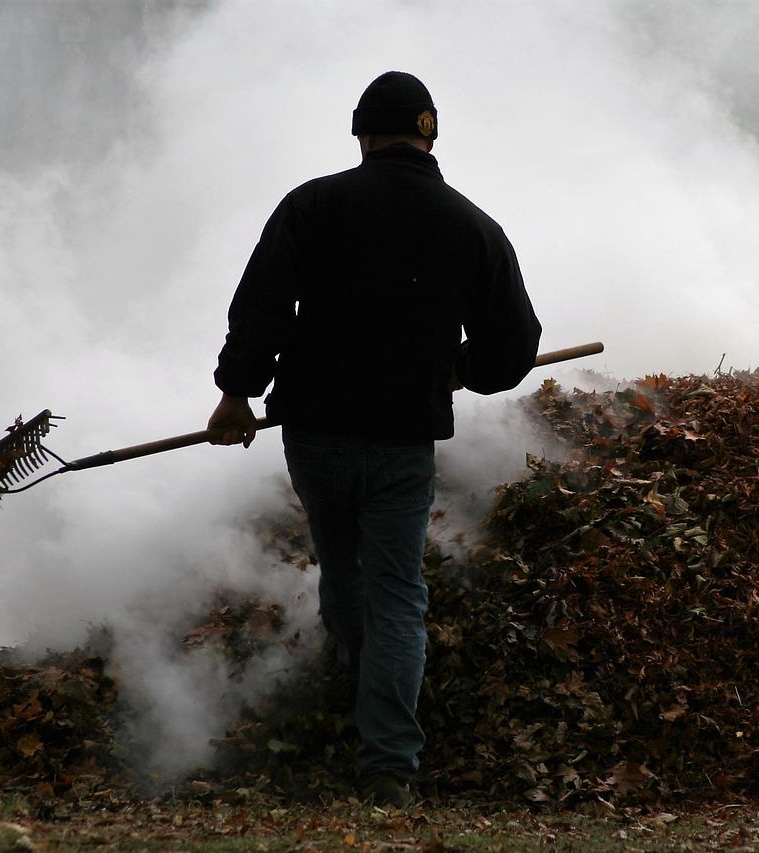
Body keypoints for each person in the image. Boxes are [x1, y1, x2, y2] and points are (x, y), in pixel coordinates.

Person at [207, 71, 541, 806]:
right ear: (430, 133)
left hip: (316, 435)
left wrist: (237, 392)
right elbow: (513, 349)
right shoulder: (471, 225)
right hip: (400, 442)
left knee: (343, 573)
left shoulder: (312, 205)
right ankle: (387, 764)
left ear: (361, 133)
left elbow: (260, 305)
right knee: (397, 595)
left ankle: (351, 686)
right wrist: (461, 368)